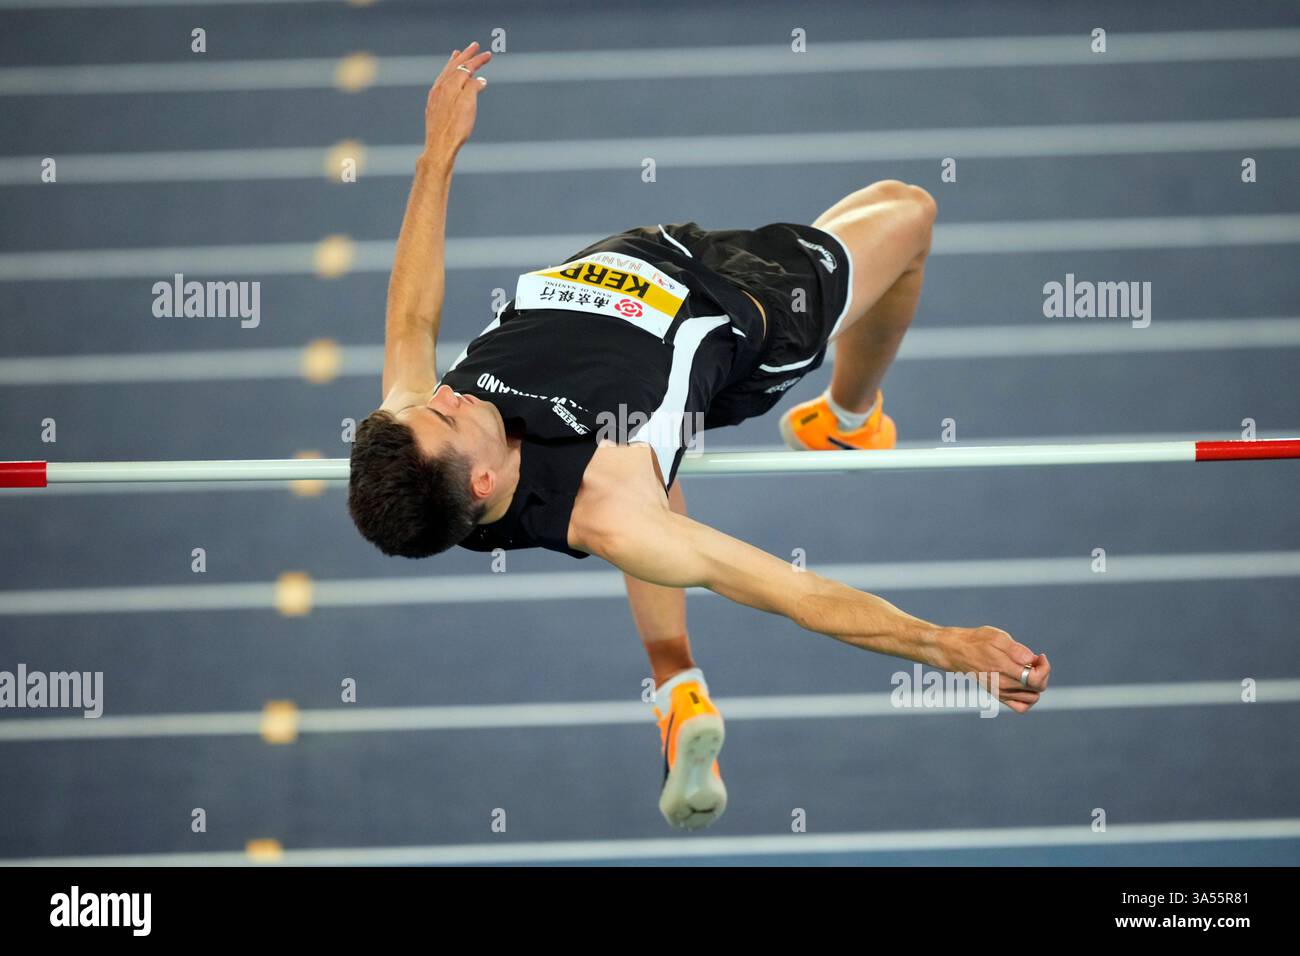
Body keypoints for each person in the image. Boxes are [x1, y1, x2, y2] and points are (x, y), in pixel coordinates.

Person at [347, 43, 1051, 830]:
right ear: (480, 482)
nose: (443, 391)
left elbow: (412, 318)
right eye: (446, 414)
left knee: (650, 462)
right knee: (910, 211)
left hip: (637, 276)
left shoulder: (417, 426)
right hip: (747, 309)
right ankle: (850, 421)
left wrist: (436, 153)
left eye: (427, 400)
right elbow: (798, 595)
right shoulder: (613, 506)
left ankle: (676, 688)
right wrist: (948, 647)